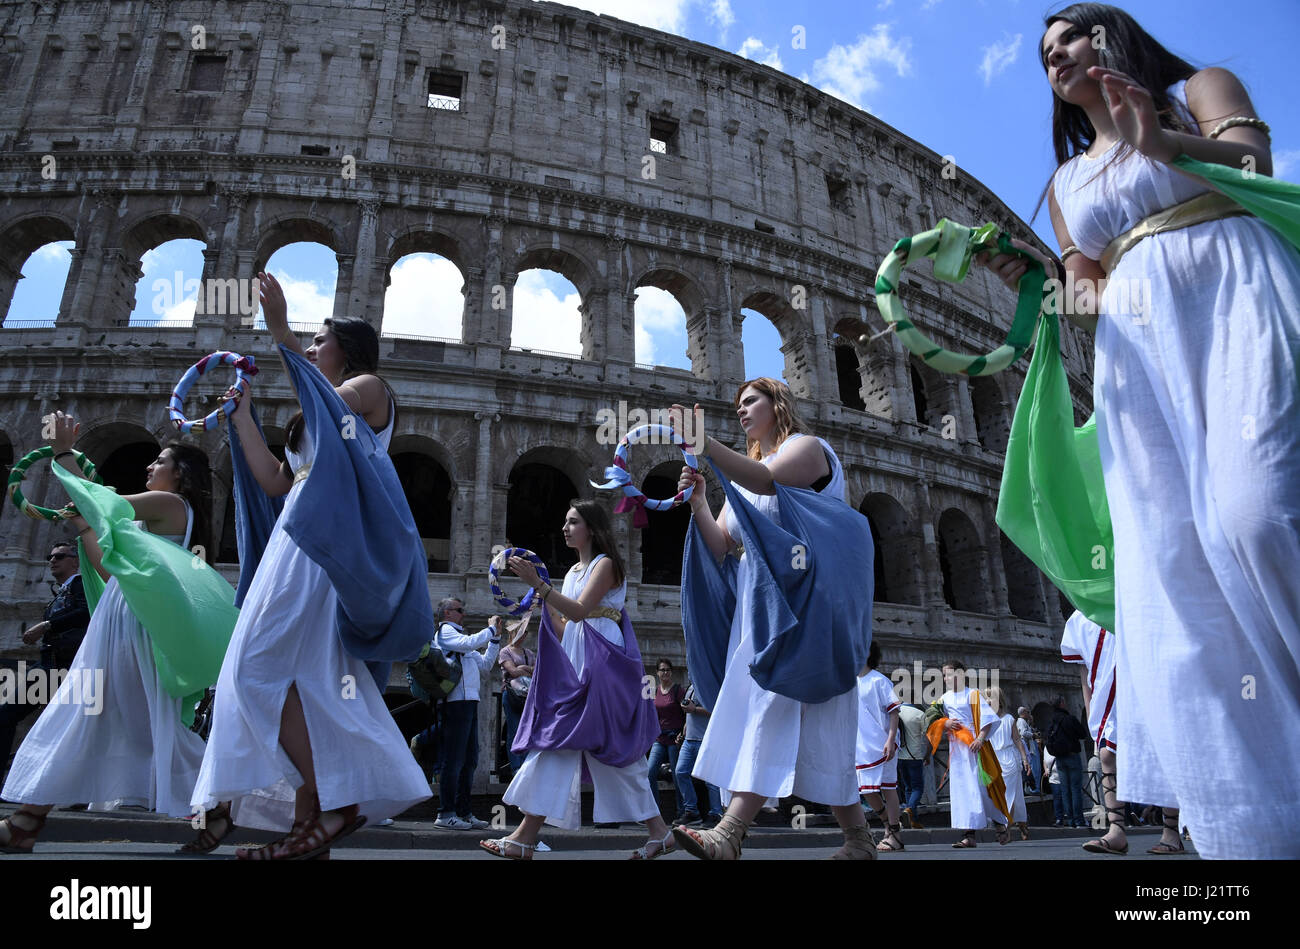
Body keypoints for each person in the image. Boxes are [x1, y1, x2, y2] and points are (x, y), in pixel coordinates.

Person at [980, 2, 1300, 859]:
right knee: (1174, 566)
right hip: (1138, 350)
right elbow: (1082, 296)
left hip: (1232, 294)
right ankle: (1257, 830)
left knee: (1256, 515)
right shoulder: (1067, 183)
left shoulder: (1198, 88)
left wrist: (1167, 147)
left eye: (1074, 36)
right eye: (1047, 51)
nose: (1059, 55)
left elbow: (1254, 161)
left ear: (1115, 37)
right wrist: (1034, 283)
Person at [189, 273, 432, 860]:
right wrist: (242, 416)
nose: (313, 345)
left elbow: (325, 407)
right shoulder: (309, 417)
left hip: (325, 546)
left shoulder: (369, 390)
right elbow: (276, 478)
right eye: (311, 340)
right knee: (308, 681)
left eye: (319, 339)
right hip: (295, 538)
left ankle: (331, 798)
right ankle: (309, 832)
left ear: (346, 349)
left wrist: (279, 332)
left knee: (253, 668)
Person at [1, 421, 228, 853]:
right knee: (133, 722)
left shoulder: (170, 503)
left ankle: (28, 820)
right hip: (122, 617)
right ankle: (220, 804)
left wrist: (65, 453)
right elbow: (109, 568)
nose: (149, 464)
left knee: (92, 708)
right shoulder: (162, 516)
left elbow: (105, 503)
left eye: (159, 461)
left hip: (133, 624)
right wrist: (86, 525)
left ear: (179, 474)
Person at [671, 380, 875, 860]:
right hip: (759, 605)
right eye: (737, 405)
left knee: (772, 702)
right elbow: (722, 545)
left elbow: (769, 482)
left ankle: (730, 831)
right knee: (823, 720)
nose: (741, 410)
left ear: (777, 403)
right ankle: (860, 838)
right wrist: (701, 500)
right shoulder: (742, 479)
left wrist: (705, 445)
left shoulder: (808, 448)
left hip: (804, 604)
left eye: (750, 401)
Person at [479, 501, 671, 860]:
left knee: (568, 741)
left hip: (602, 663)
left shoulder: (606, 565)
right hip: (578, 661)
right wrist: (542, 598)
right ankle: (658, 832)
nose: (565, 528)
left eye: (573, 522)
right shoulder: (570, 573)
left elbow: (582, 611)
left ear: (592, 529)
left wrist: (539, 584)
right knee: (598, 750)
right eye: (565, 522)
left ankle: (524, 837)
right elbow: (565, 625)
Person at [0, 541, 89, 783]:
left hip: (59, 667)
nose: (52, 560)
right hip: (49, 664)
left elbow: (86, 612)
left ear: (76, 560)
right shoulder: (61, 592)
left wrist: (46, 625)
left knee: (10, 715)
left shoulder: (81, 584)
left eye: (59, 556)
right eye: (50, 556)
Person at [430, 597, 500, 830]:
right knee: (454, 760)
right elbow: (470, 643)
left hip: (469, 701)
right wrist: (490, 628)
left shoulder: (461, 639)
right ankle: (445, 813)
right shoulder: (446, 632)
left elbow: (486, 666)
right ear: (447, 612)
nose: (464, 613)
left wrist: (496, 639)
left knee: (470, 760)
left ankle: (463, 811)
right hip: (454, 702)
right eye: (460, 610)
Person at [934, 660, 1009, 848]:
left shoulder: (973, 694)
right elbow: (937, 721)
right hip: (957, 750)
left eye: (949, 674)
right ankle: (969, 836)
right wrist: (945, 724)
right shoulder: (944, 698)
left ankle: (1000, 824)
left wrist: (980, 739)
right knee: (963, 791)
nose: (946, 678)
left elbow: (987, 719)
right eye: (944, 675)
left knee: (981, 789)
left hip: (975, 749)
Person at [855, 642, 902, 852]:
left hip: (883, 740)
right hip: (862, 744)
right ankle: (888, 824)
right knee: (866, 790)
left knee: (887, 787)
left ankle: (895, 836)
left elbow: (893, 712)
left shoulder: (879, 680)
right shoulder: (850, 681)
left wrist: (890, 739)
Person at [675, 682, 724, 826]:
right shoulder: (691, 686)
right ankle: (692, 812)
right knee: (681, 772)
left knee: (710, 779)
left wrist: (694, 709)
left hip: (706, 740)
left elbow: (716, 710)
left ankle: (716, 813)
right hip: (689, 739)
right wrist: (684, 728)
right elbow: (689, 711)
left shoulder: (709, 684)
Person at [987, 687, 1031, 841]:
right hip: (993, 761)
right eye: (985, 698)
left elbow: (1017, 739)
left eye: (990, 698)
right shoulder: (985, 720)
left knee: (1009, 796)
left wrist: (1025, 759)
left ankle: (1006, 829)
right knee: (1012, 796)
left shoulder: (1009, 719)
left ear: (999, 701)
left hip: (1009, 759)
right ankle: (1022, 824)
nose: (987, 701)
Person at [646, 659, 686, 819]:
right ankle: (654, 811)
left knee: (677, 776)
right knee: (649, 772)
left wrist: (682, 733)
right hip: (659, 738)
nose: (665, 673)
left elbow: (687, 713)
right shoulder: (654, 692)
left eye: (668, 670)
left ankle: (682, 811)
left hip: (675, 738)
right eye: (662, 670)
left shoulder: (678, 690)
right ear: (657, 673)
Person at [1045, 695, 1090, 829]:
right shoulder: (1069, 719)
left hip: (1059, 759)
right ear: (1062, 704)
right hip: (1072, 756)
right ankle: (1079, 820)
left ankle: (1070, 820)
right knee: (1075, 789)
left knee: (1065, 790)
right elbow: (1083, 734)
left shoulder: (1052, 722)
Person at [497, 618, 535, 778]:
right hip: (512, 694)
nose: (524, 635)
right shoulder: (505, 651)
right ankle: (516, 766)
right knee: (513, 729)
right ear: (512, 633)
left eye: (525, 631)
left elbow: (536, 671)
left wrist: (523, 667)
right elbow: (512, 671)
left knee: (528, 729)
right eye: (521, 631)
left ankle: (526, 765)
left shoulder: (529, 653)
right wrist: (527, 670)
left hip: (527, 694)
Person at [895, 702, 929, 829]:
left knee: (908, 788)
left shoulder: (896, 711)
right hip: (915, 756)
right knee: (917, 788)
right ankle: (909, 810)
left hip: (900, 756)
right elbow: (928, 738)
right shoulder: (920, 714)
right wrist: (928, 755)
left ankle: (912, 820)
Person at [1017, 706, 1041, 794]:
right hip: (1029, 750)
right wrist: (1033, 735)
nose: (1029, 714)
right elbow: (1023, 733)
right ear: (1023, 713)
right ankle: (1033, 789)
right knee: (1034, 769)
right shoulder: (1021, 721)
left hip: (1030, 748)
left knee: (1036, 769)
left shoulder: (1024, 722)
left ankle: (1035, 788)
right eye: (1027, 712)